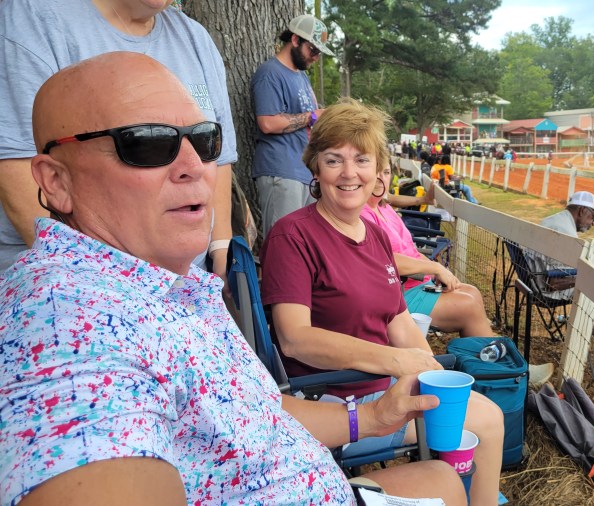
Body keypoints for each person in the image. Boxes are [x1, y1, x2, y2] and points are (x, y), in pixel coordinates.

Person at [0, 52, 465, 506]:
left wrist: (370, 416)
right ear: (56, 181)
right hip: (323, 430)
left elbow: (252, 409)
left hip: (325, 470)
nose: (193, 167)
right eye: (145, 143)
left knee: (442, 476)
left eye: (204, 141)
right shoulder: (67, 320)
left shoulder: (172, 284)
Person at [260, 98, 504, 505]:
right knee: (489, 422)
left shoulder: (373, 236)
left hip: (387, 387)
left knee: (485, 416)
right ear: (316, 169)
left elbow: (399, 319)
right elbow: (295, 339)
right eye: (334, 159)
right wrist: (393, 361)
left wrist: (428, 368)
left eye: (361, 159)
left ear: (377, 173)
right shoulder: (292, 236)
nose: (349, 172)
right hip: (336, 403)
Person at [0, 0, 235, 280]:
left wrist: (222, 252)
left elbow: (218, 161)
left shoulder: (195, 38)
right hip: (87, 288)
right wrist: (120, 300)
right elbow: (19, 172)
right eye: (143, 142)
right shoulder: (34, 16)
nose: (193, 166)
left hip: (186, 286)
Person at [363, 162, 496, 337]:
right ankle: (491, 356)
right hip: (397, 294)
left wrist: (438, 272)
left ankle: (485, 353)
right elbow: (383, 259)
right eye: (375, 172)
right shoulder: (362, 214)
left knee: (472, 292)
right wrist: (435, 268)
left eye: (386, 172)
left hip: (418, 282)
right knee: (469, 307)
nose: (381, 178)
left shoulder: (385, 208)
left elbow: (411, 251)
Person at [251, 14, 337, 237]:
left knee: (300, 243)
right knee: (283, 240)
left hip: (303, 172)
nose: (316, 57)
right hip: (280, 170)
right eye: (313, 50)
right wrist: (312, 117)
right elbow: (267, 122)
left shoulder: (301, 76)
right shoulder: (269, 73)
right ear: (296, 40)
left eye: (319, 52)